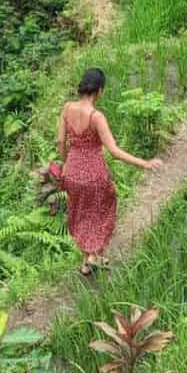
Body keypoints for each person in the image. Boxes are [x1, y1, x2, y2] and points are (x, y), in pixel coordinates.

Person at [57, 68, 162, 276]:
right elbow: (114, 151)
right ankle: (94, 255)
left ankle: (87, 260)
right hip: (94, 173)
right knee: (104, 207)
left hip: (71, 171)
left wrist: (66, 163)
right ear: (99, 91)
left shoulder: (67, 108)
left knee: (81, 212)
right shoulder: (96, 117)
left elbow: (61, 141)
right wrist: (144, 163)